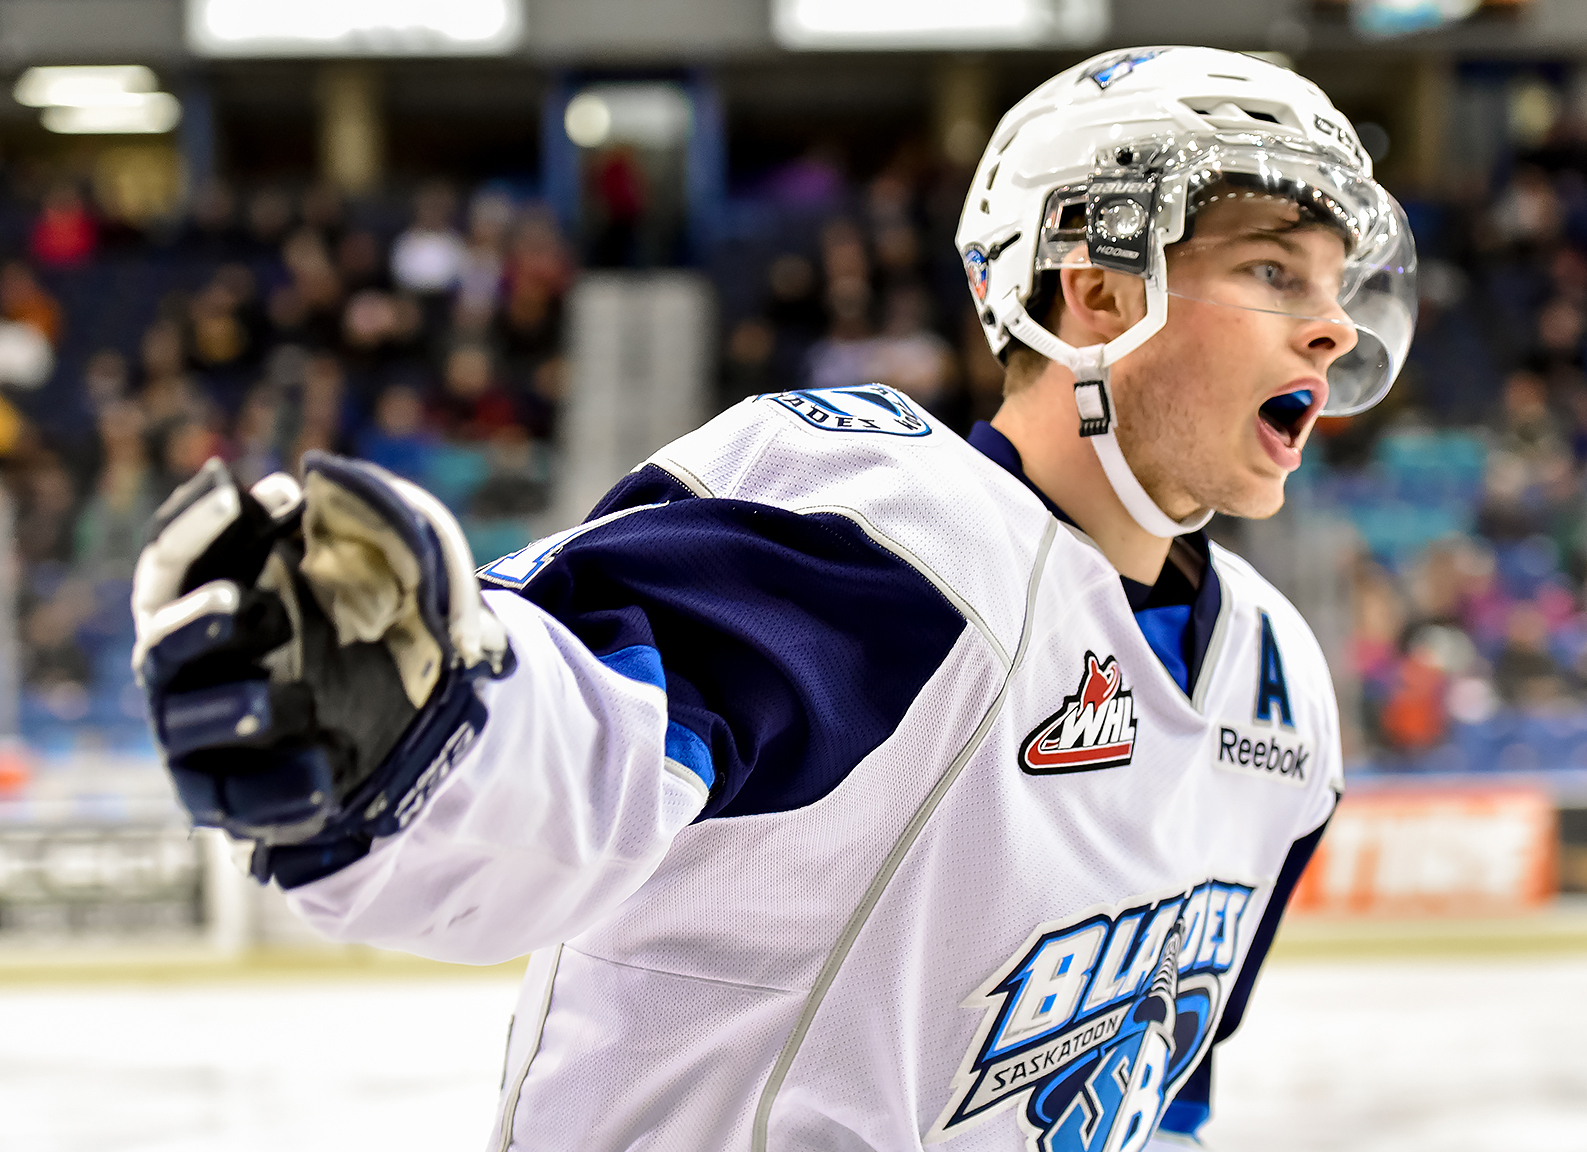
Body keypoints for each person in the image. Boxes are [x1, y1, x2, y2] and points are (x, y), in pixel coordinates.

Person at [129, 47, 1414, 1152]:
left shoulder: (1279, 684)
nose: (1332, 331)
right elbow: (584, 727)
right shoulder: (896, 538)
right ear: (1096, 288)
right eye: (1272, 273)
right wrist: (421, 733)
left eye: (1336, 288)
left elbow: (1163, 1084)